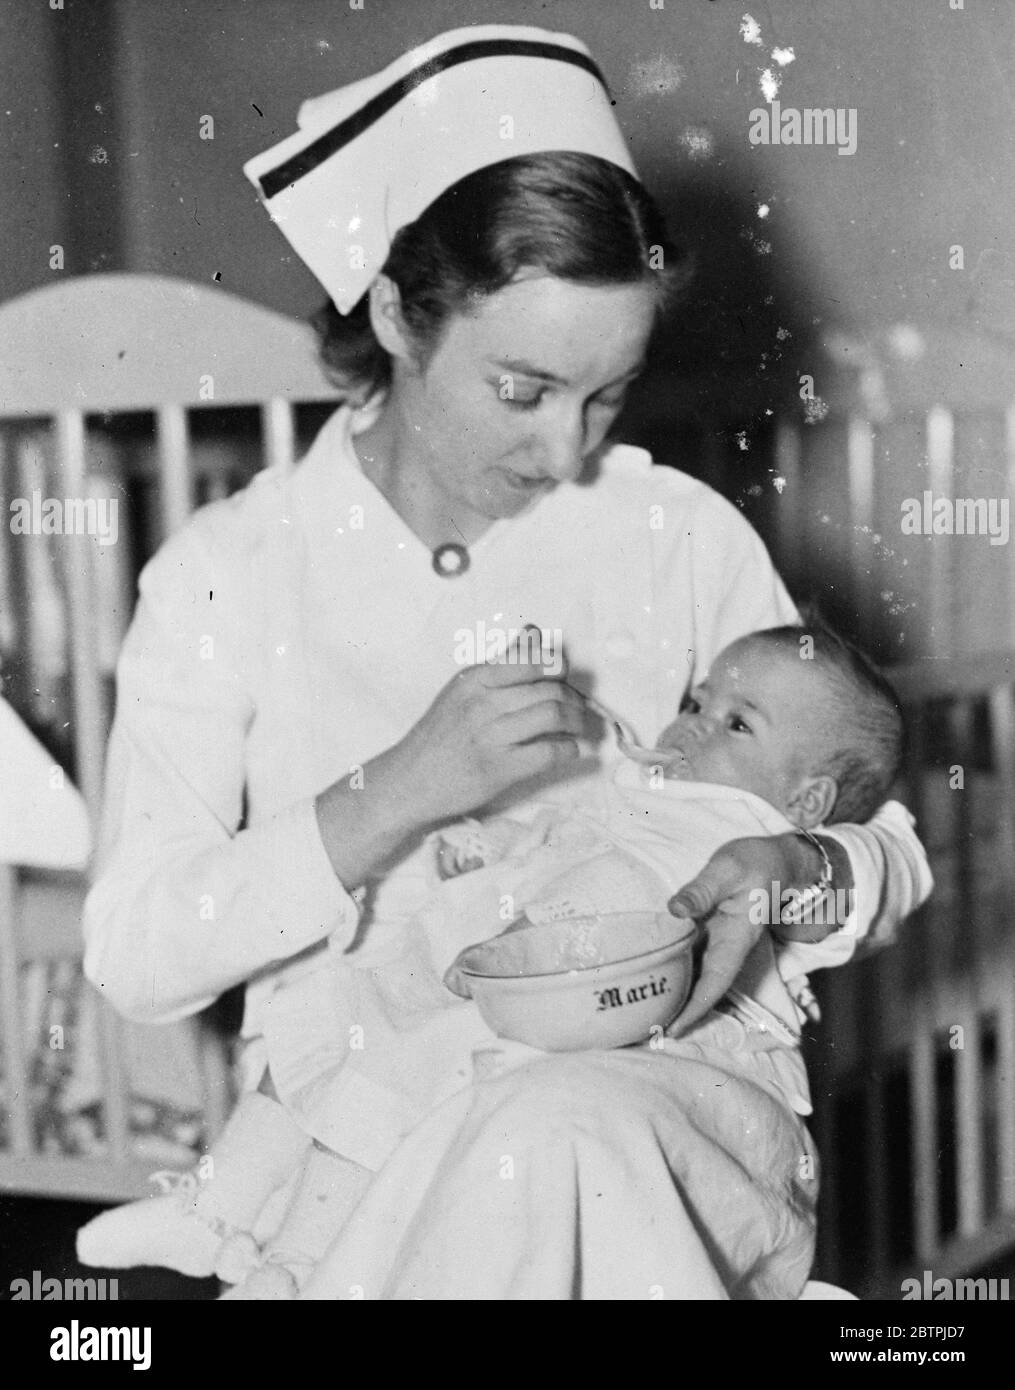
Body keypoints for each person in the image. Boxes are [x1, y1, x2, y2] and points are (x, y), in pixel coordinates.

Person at [80, 25, 932, 1299]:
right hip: (362, 1157)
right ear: (393, 316)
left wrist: (792, 867)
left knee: (553, 1140)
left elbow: (891, 848)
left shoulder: (675, 535)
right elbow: (137, 954)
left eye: (608, 394)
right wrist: (393, 793)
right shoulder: (233, 570)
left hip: (661, 1115)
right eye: (524, 389)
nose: (565, 451)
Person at [78, 617, 904, 1296]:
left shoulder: (755, 837)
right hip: (491, 988)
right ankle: (214, 1204)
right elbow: (570, 835)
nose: (689, 721)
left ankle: (294, 1267)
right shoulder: (640, 794)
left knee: (418, 1080)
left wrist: (804, 864)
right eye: (697, 699)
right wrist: (489, 842)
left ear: (805, 803)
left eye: (734, 723)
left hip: (644, 1041)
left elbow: (874, 869)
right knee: (341, 1014)